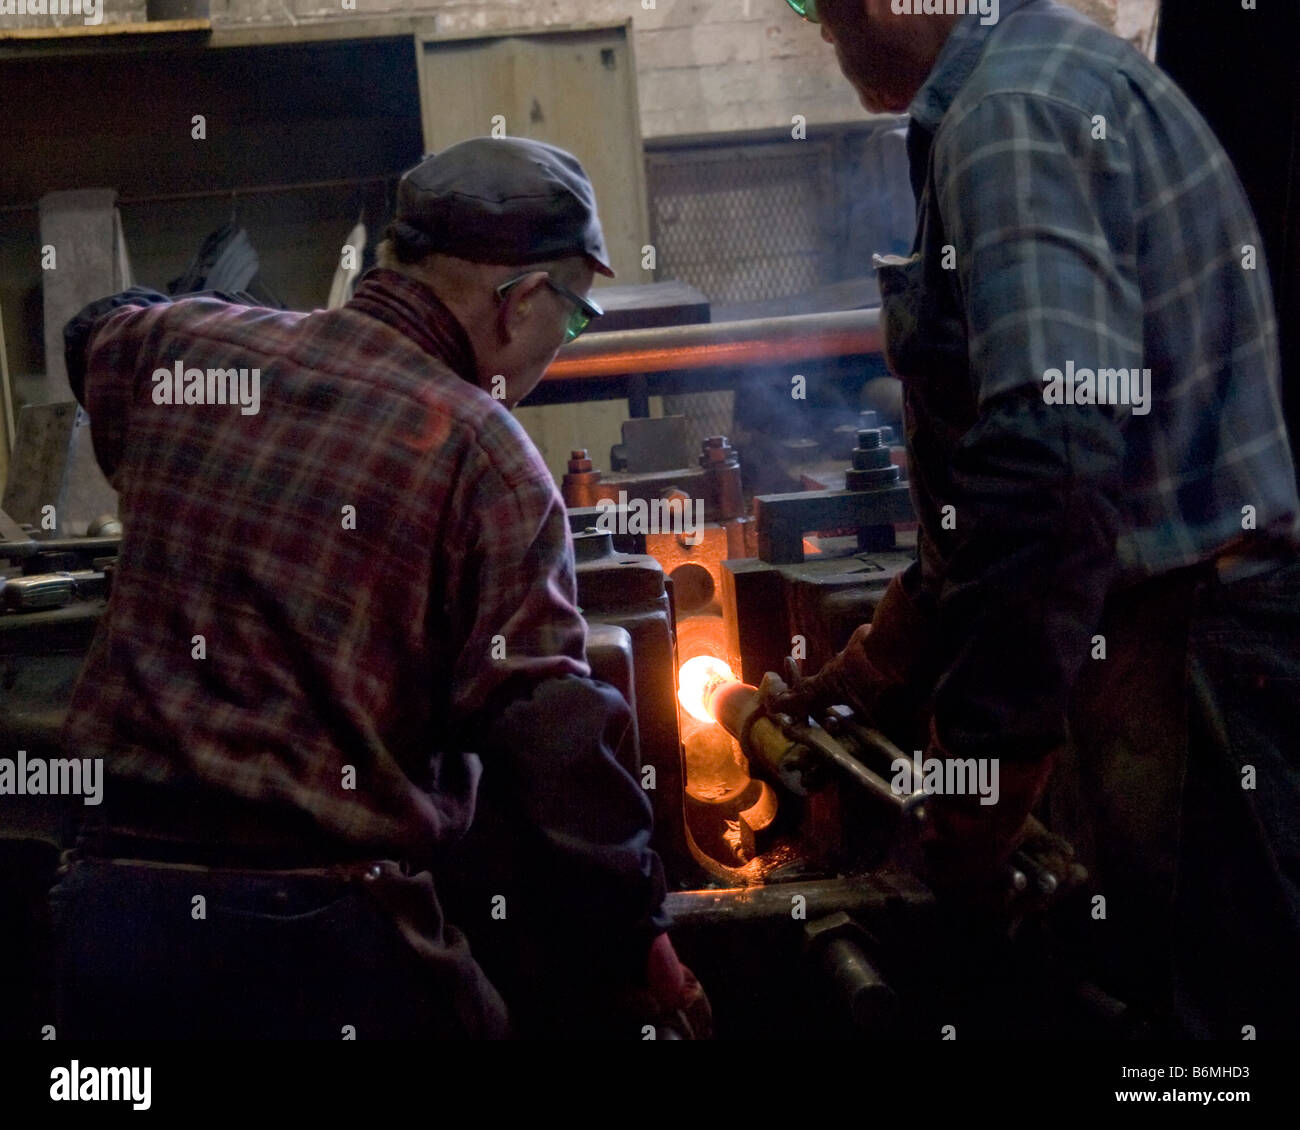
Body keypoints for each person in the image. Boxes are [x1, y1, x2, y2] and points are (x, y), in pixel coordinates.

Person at [51, 136, 703, 1040]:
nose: (568, 342)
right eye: (578, 318)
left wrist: (204, 316)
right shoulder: (487, 456)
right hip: (317, 944)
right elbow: (548, 737)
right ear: (519, 302)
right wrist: (640, 938)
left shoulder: (176, 348)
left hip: (104, 922)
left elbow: (91, 331)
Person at [778, 0, 1300, 1038]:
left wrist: (987, 765)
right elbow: (1019, 475)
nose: (811, 31)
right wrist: (878, 662)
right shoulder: (1054, 79)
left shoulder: (1009, 114)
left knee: (1189, 1023)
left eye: (815, 6)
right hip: (1179, 646)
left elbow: (1049, 456)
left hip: (1187, 666)